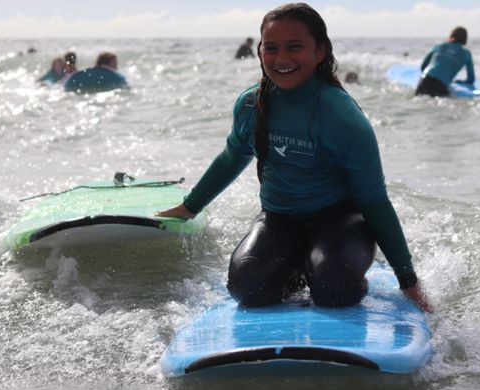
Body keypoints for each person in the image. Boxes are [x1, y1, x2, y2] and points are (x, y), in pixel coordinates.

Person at [155, 3, 433, 312]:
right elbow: (233, 157)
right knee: (247, 290)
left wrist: (408, 280)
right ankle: (297, 270)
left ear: (320, 51)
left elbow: (374, 200)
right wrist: (190, 206)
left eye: (295, 47)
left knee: (335, 288)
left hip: (340, 221)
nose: (282, 59)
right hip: (278, 219)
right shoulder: (252, 105)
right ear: (260, 52)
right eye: (271, 48)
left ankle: (332, 268)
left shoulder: (342, 117)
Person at [415, 26, 474, 97]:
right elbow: (471, 79)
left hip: (424, 81)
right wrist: (459, 82)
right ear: (465, 39)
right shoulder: (466, 54)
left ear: (451, 35)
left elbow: (423, 66)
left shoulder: (439, 46)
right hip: (441, 86)